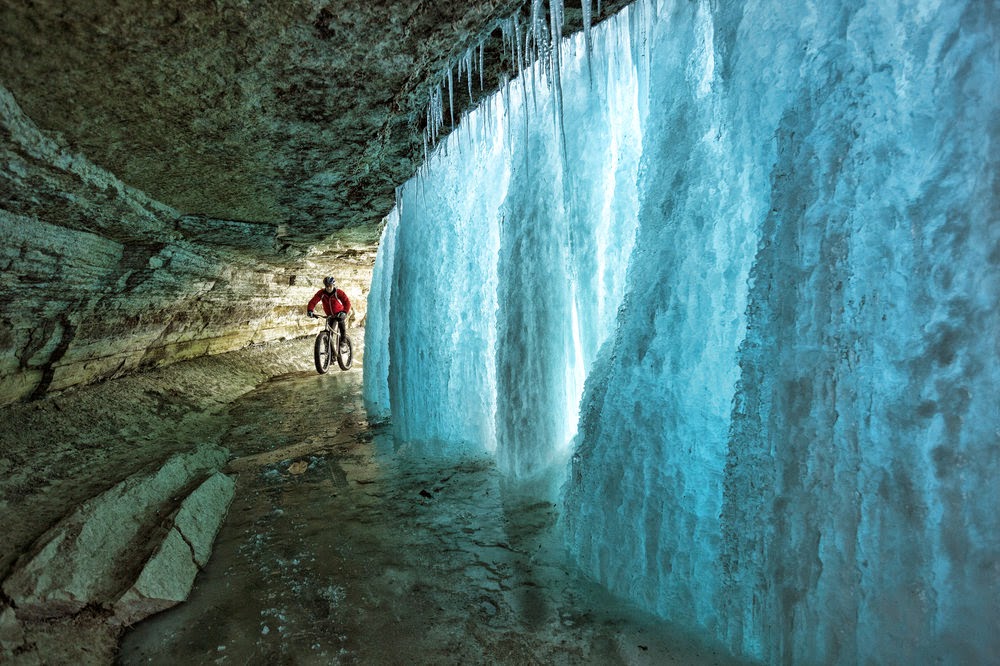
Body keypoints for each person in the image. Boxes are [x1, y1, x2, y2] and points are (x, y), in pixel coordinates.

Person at [307, 277, 351, 350]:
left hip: (339, 313)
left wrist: (344, 312)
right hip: (330, 316)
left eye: (330, 286)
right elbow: (313, 301)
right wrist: (310, 310)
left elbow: (347, 302)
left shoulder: (338, 292)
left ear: (333, 285)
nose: (329, 288)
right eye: (327, 286)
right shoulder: (321, 293)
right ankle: (331, 353)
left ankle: (343, 340)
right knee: (330, 332)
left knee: (341, 324)